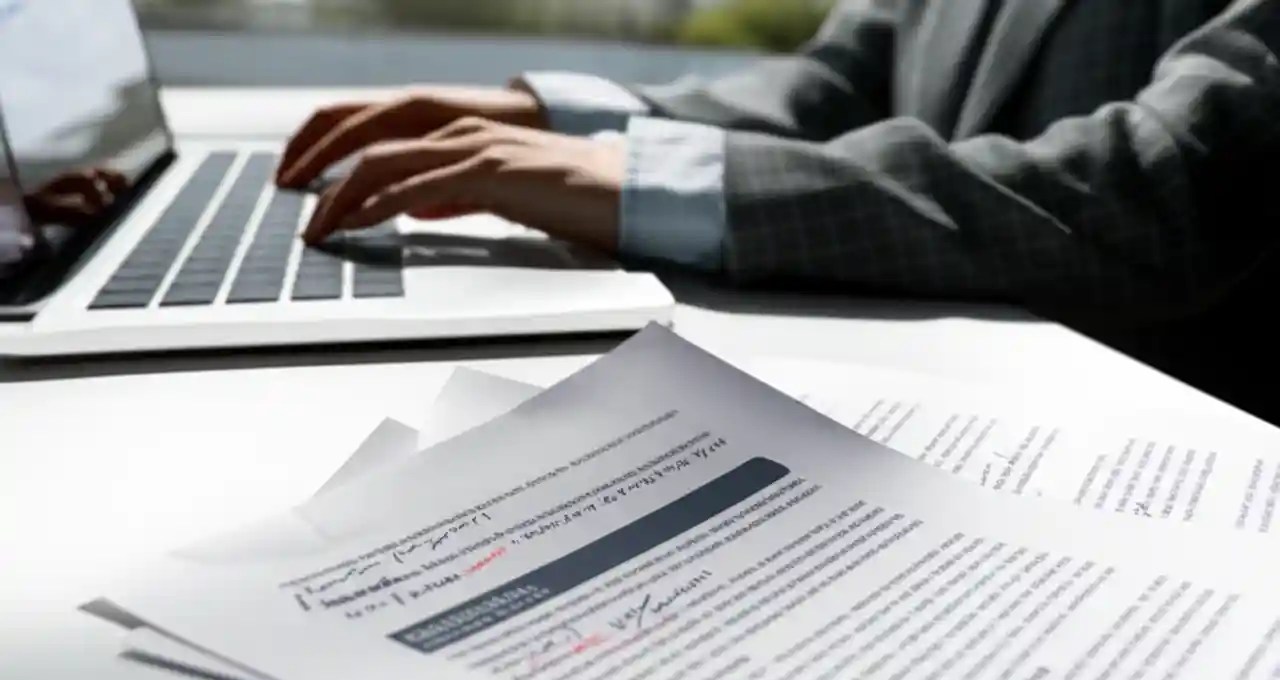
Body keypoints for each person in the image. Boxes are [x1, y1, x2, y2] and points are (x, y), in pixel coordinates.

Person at [277, 0, 1280, 418]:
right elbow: (833, 86)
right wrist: (575, 117)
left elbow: (1156, 190)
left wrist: (652, 181)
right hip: (904, 392)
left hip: (1143, 454)